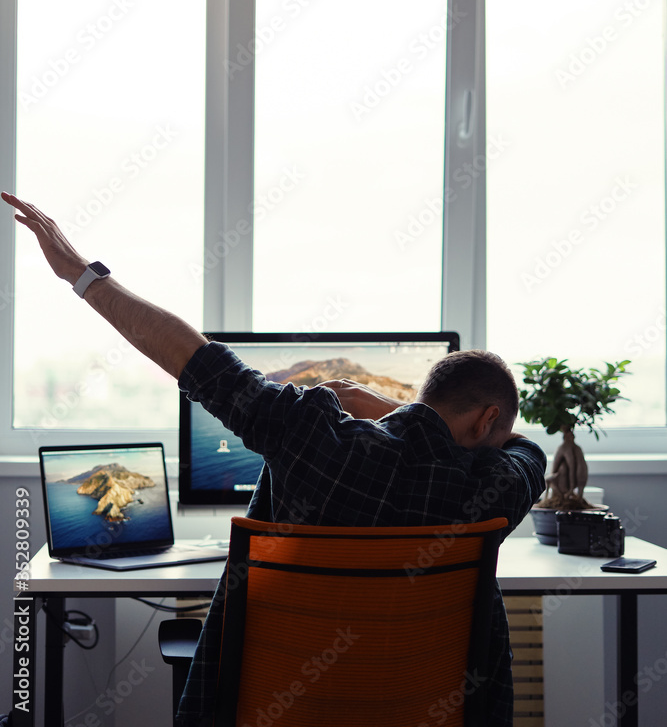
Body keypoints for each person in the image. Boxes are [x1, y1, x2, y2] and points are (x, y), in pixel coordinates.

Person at [1, 192, 546, 727]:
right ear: (485, 420)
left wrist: (82, 274)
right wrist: (404, 412)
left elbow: (194, 358)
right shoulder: (496, 486)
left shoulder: (308, 433)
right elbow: (525, 449)